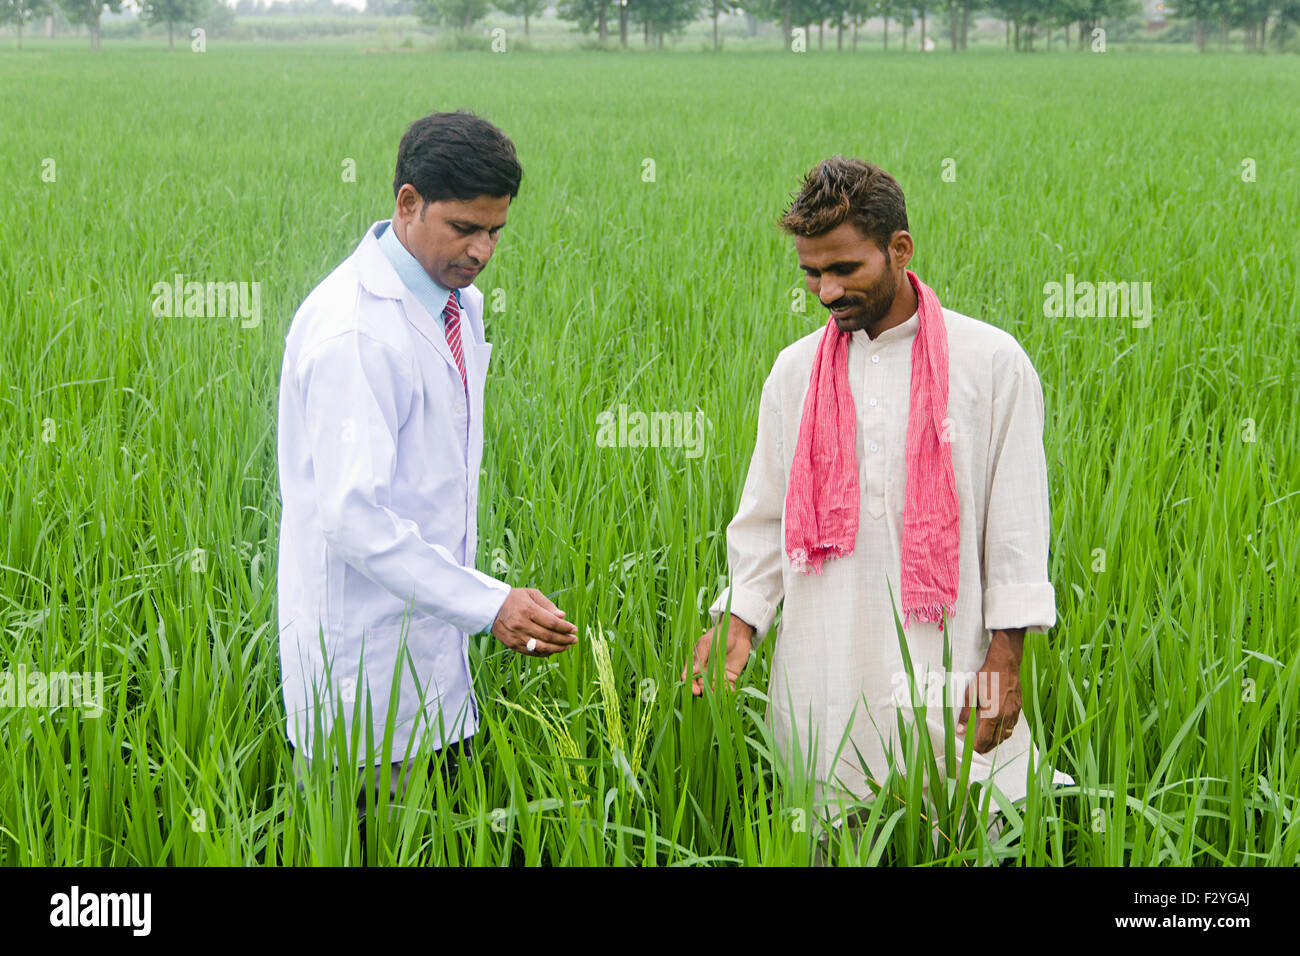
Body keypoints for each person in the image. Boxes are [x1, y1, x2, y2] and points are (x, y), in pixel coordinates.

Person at [684, 156, 1073, 853]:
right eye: (810, 272)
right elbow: (767, 521)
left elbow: (1016, 527)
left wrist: (1008, 657)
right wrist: (739, 625)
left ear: (900, 249)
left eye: (846, 268)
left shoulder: (991, 363)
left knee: (962, 834)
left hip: (950, 667)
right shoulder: (795, 371)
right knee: (829, 830)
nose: (826, 290)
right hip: (824, 664)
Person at [276, 110, 578, 834]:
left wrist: (476, 599)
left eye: (496, 231)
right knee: (373, 840)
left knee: (435, 836)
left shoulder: (457, 305)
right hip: (366, 670)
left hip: (434, 647)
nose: (482, 251)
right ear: (407, 203)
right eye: (465, 228)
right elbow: (353, 516)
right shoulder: (355, 331)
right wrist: (489, 604)